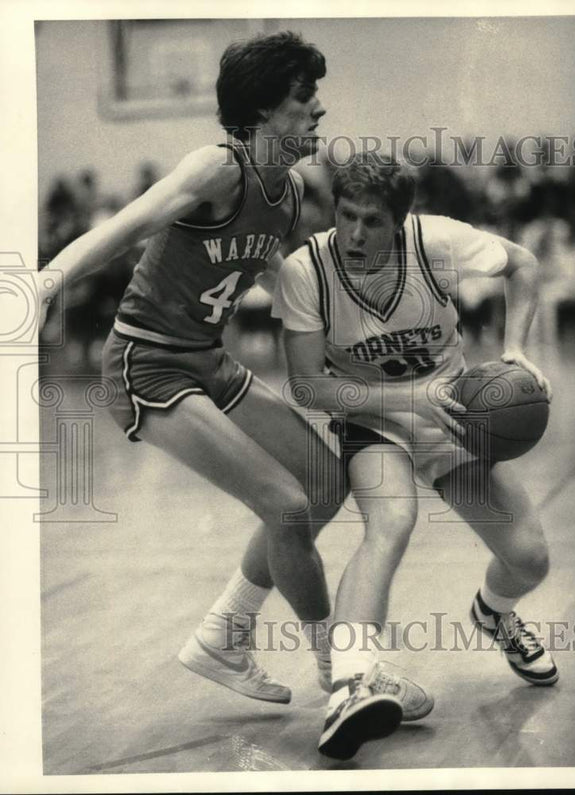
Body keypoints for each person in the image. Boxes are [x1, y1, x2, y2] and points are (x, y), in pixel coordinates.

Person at [37, 30, 350, 706]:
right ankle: (341, 672)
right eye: (305, 97)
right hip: (145, 364)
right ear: (266, 110)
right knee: (287, 504)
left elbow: (277, 279)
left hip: (206, 359)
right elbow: (124, 226)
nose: (319, 109)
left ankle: (221, 635)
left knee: (325, 481)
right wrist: (43, 283)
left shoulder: (288, 192)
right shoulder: (218, 169)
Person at [272, 152, 558, 759]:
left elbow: (524, 264)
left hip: (451, 410)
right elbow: (306, 386)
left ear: (401, 221)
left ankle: (494, 611)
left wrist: (516, 351)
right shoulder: (306, 271)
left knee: (530, 559)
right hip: (371, 416)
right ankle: (350, 683)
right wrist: (409, 397)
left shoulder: (439, 242)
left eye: (372, 221)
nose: (355, 233)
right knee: (390, 522)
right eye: (346, 215)